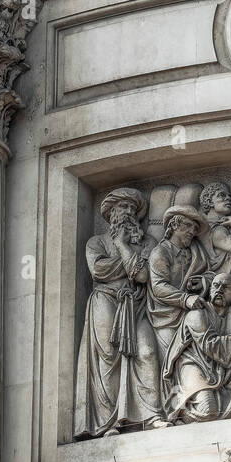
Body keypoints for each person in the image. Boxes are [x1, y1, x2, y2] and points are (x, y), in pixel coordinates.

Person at [74, 187, 166, 438]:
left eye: (133, 209)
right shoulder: (96, 243)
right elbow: (98, 271)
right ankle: (109, 422)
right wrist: (129, 261)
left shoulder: (148, 243)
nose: (128, 213)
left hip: (135, 304)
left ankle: (152, 415)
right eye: (123, 207)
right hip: (105, 300)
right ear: (111, 213)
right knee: (108, 355)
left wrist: (122, 246)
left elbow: (142, 275)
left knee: (147, 351)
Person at [163, 272, 231, 422]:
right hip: (194, 365)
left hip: (220, 367)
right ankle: (180, 413)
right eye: (216, 285)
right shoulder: (197, 314)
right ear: (210, 290)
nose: (219, 290)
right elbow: (209, 344)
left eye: (226, 287)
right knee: (208, 411)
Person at [147, 205, 211, 385]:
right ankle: (177, 398)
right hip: (166, 317)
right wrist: (186, 298)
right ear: (174, 225)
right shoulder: (160, 252)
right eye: (188, 226)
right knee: (175, 359)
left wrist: (203, 282)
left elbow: (209, 272)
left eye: (195, 229)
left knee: (203, 356)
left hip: (192, 313)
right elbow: (159, 286)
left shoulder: (196, 251)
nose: (193, 232)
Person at [199, 181, 231, 278]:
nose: (228, 198)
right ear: (209, 202)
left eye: (229, 196)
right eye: (222, 195)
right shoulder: (215, 230)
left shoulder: (216, 226)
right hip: (220, 282)